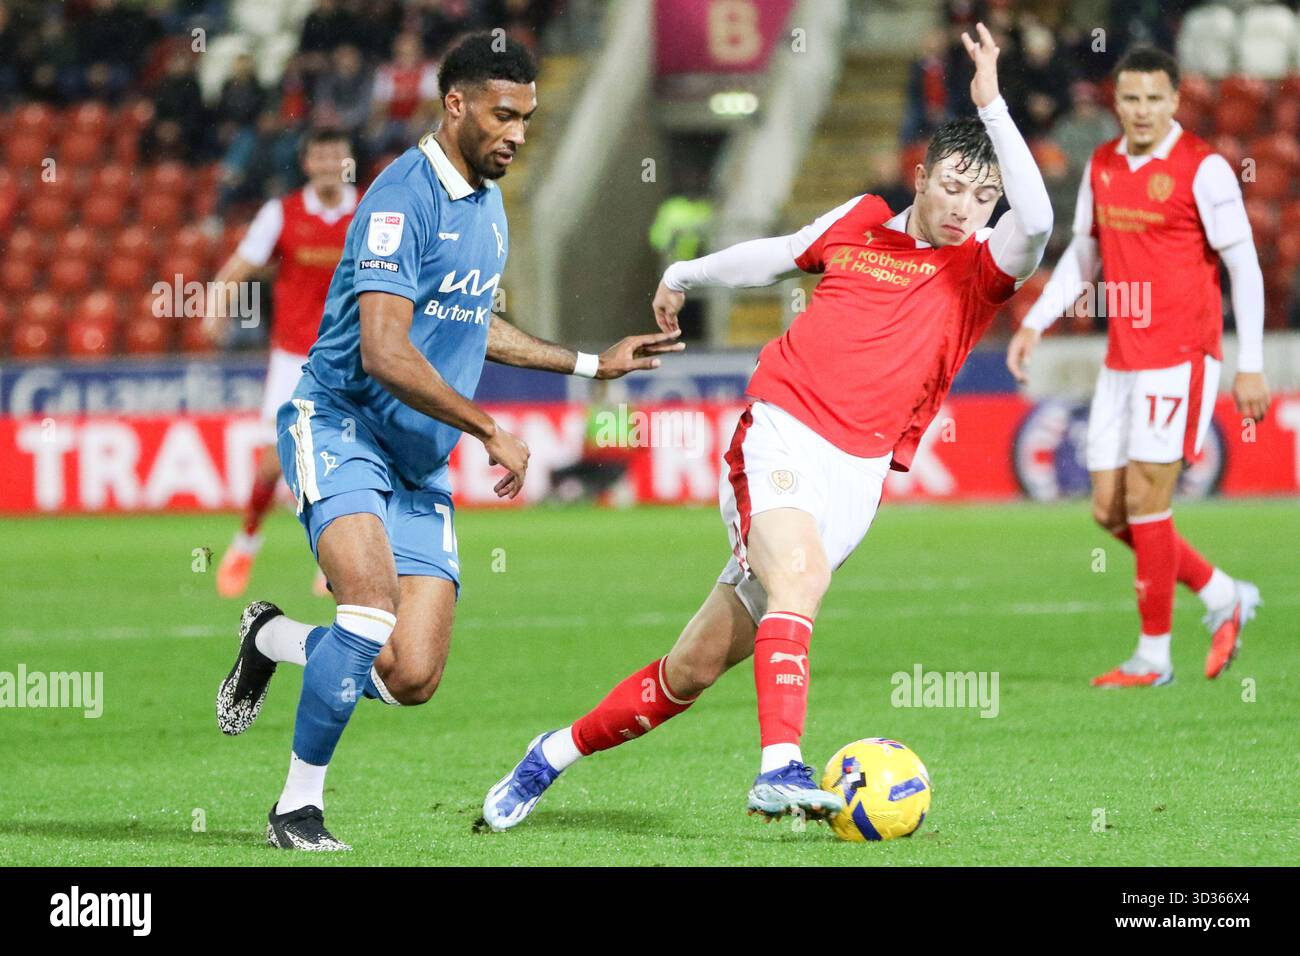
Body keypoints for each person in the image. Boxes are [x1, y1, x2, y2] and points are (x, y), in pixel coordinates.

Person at [482, 24, 1052, 831]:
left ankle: (551, 754)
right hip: (781, 430)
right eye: (954, 188)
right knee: (800, 578)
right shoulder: (859, 220)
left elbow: (1040, 218)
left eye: (983, 198)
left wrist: (993, 111)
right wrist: (685, 272)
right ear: (920, 179)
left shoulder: (983, 270)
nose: (968, 209)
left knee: (692, 668)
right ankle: (779, 767)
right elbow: (778, 254)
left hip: (856, 477)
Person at [212, 33, 683, 850]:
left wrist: (584, 362)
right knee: (366, 610)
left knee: (411, 676)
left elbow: (474, 322)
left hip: (418, 459)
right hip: (340, 425)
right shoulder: (401, 198)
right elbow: (383, 350)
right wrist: (491, 427)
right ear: (455, 104)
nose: (517, 134)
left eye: (528, 119)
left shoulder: (489, 205)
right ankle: (296, 808)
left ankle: (271, 637)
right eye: (504, 115)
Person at [1006, 46, 1268, 688]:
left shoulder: (1203, 170)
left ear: (1176, 100)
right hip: (1123, 358)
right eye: (1131, 98)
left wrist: (1252, 363)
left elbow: (1245, 266)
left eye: (1155, 98)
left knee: (1149, 501)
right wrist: (1036, 320)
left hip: (1181, 358)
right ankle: (1222, 591)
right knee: (1108, 509)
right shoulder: (1102, 163)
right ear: (1115, 101)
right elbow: (1085, 256)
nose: (1142, 110)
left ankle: (1153, 658)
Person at [206, 128, 360, 599]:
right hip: (294, 356)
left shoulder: (370, 210)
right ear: (308, 163)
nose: (330, 163)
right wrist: (216, 305)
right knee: (276, 463)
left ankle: (335, 561)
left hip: (353, 356)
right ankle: (246, 540)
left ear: (348, 161)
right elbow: (242, 265)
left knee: (351, 460)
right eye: (320, 155)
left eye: (337, 154)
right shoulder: (281, 213)